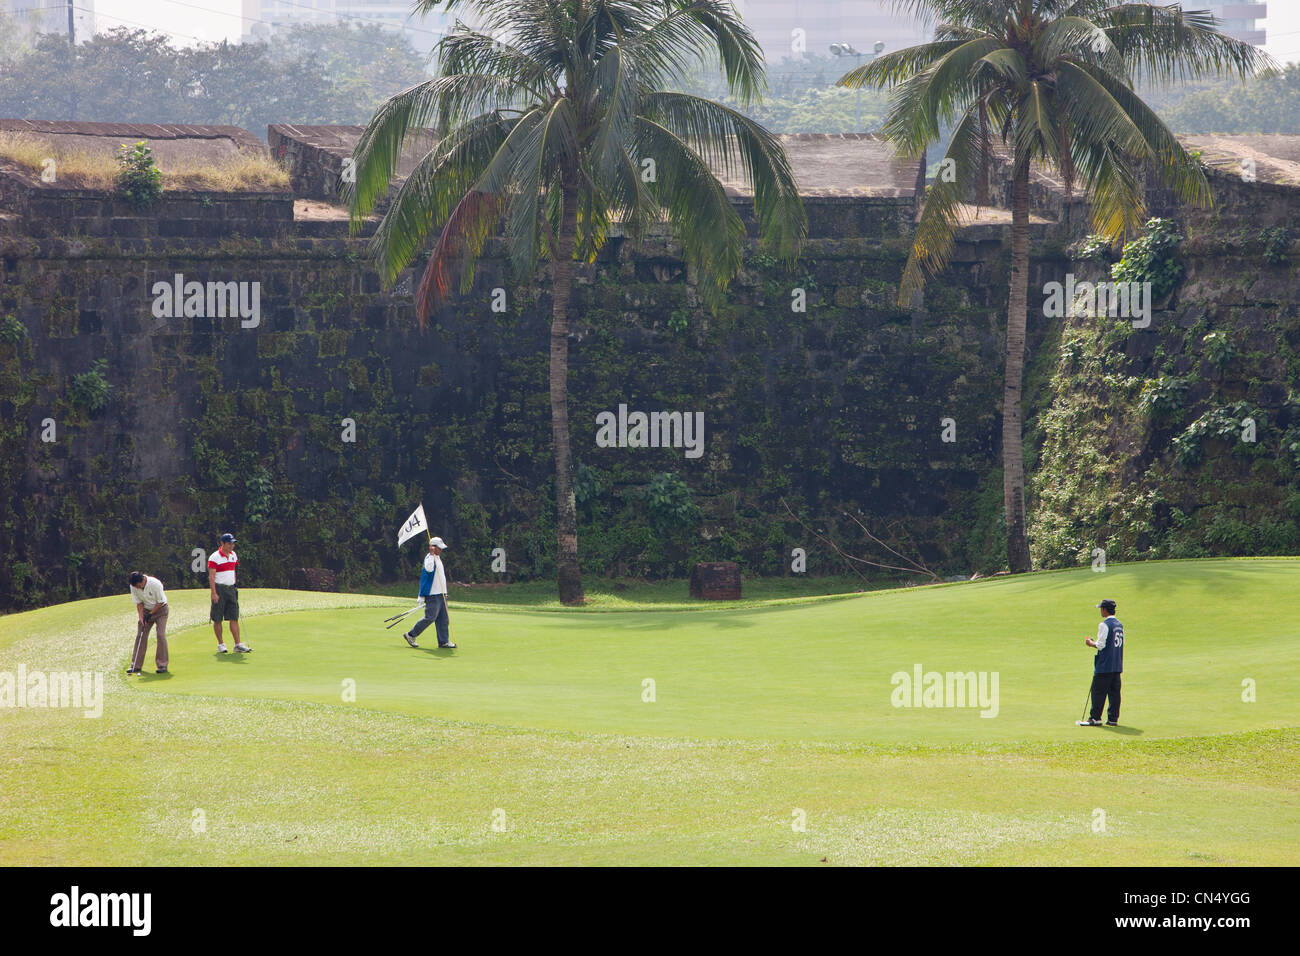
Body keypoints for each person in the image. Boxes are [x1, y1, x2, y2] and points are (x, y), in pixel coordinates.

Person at [403, 536, 456, 649]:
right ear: (433, 548)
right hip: (433, 595)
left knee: (443, 619)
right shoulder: (429, 558)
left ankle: (443, 641)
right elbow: (429, 569)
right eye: (439, 548)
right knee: (430, 617)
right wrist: (431, 554)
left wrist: (445, 593)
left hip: (441, 594)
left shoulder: (438, 557)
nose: (441, 550)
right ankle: (411, 635)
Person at [1077, 598, 1123, 727]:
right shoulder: (1119, 624)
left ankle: (1095, 718)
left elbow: (1101, 645)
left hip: (1104, 665)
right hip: (1117, 664)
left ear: (1104, 609)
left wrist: (1090, 643)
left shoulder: (1104, 624)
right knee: (1114, 694)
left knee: (1098, 692)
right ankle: (1113, 718)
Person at [208, 532, 251, 653]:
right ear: (222, 543)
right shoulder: (214, 557)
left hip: (231, 589)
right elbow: (211, 577)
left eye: (233, 543)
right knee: (217, 618)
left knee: (234, 617)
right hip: (219, 589)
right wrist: (214, 593)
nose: (232, 546)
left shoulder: (234, 555)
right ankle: (221, 644)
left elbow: (233, 571)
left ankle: (237, 644)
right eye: (229, 543)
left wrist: (234, 585)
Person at [126, 571, 169, 675]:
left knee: (160, 635)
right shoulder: (134, 586)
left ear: (143, 580)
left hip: (161, 610)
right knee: (140, 636)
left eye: (138, 586)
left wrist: (150, 614)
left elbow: (160, 602)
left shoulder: (155, 584)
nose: (136, 588)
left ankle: (162, 665)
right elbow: (139, 603)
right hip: (145, 610)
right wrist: (141, 617)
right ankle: (135, 665)